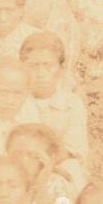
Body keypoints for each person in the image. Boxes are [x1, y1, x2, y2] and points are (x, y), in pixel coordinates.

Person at [21, 31, 88, 165]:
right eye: (33, 66)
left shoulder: (72, 104)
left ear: (61, 68)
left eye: (48, 66)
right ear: (22, 67)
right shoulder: (15, 100)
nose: (41, 73)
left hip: (58, 165)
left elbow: (74, 149)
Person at [0, 56, 40, 159]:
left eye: (18, 93)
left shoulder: (30, 114)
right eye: (3, 92)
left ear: (27, 93)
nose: (10, 101)